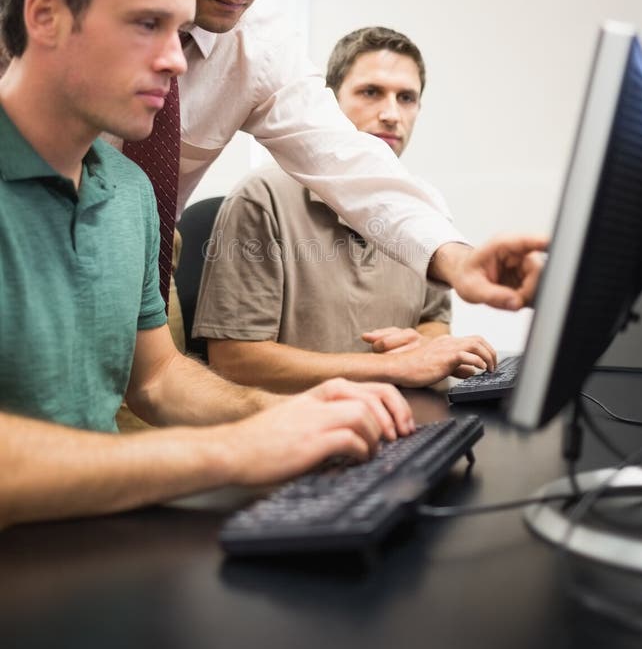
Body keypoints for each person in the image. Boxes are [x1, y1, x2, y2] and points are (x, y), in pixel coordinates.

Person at [0, 0, 414, 531]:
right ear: (45, 15)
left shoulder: (131, 192)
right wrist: (230, 451)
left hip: (82, 548)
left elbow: (158, 378)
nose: (174, 59)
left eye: (178, 27)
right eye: (146, 24)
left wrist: (274, 415)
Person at [135, 0, 545, 313]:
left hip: (144, 269)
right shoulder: (67, 7)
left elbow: (349, 162)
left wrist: (459, 260)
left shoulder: (258, 47)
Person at [194, 26, 497, 392]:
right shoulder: (262, 199)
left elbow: (434, 320)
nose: (390, 113)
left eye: (406, 98)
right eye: (371, 92)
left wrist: (426, 345)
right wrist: (389, 368)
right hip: (299, 431)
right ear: (331, 102)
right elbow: (234, 361)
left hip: (402, 423)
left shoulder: (423, 211)